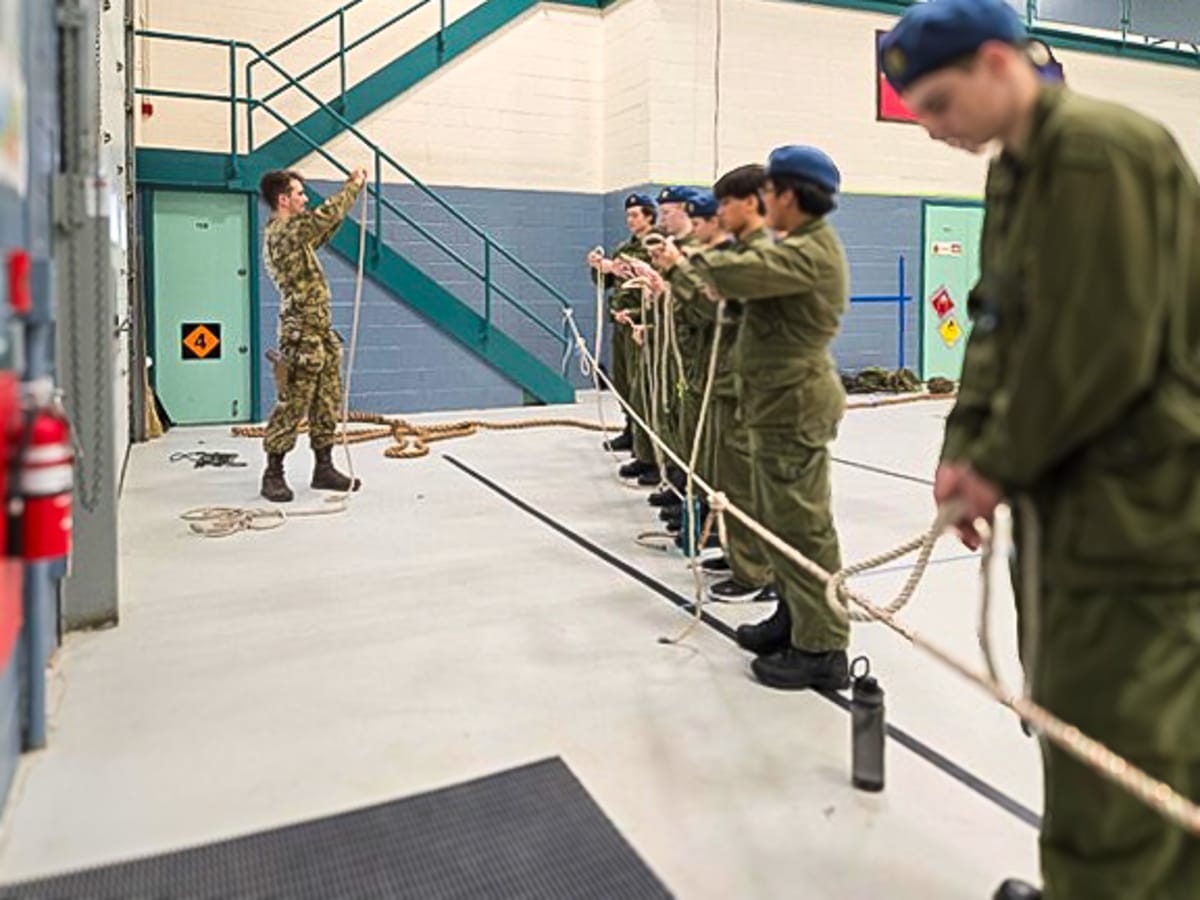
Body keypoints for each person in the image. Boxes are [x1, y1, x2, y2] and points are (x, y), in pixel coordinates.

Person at [881, 2, 1200, 898]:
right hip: (1067, 497)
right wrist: (963, 444)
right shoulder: (1016, 172)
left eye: (940, 104)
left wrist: (999, 463)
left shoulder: (1100, 151)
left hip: (1137, 506)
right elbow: (994, 324)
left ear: (995, 62)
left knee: (1122, 740)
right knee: (1065, 708)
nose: (934, 129)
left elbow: (1102, 347)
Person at [656, 147, 852, 691]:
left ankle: (823, 646)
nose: (763, 204)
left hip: (794, 405)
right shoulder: (794, 246)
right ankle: (794, 619)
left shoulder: (809, 253)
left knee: (804, 528)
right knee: (778, 523)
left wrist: (684, 263)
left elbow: (737, 274)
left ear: (788, 195)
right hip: (772, 404)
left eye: (768, 194)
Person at [257, 167, 367, 502]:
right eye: (300, 193)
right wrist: (352, 187)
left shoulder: (295, 235)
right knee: (293, 403)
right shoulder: (282, 232)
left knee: (326, 399)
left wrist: (346, 202)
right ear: (283, 199)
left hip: (319, 331)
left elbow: (324, 228)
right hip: (300, 333)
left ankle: (324, 468)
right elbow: (324, 216)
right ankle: (273, 474)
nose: (305, 199)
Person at [587, 194, 657, 457]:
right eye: (628, 215)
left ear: (649, 216)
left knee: (641, 384)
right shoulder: (623, 248)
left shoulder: (656, 246)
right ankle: (630, 429)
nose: (630, 220)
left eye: (635, 215)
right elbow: (605, 283)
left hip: (642, 323)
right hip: (621, 323)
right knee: (624, 380)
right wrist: (598, 267)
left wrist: (636, 312)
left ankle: (646, 442)